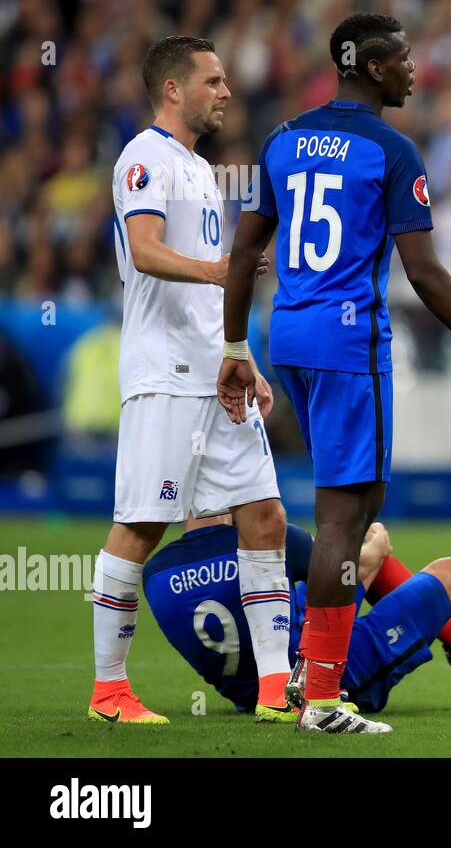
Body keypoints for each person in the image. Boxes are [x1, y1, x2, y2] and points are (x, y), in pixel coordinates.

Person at [218, 13, 451, 734]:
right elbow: (423, 269)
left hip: (287, 333)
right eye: (407, 58)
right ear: (376, 67)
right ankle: (322, 695)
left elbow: (242, 254)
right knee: (345, 517)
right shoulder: (391, 150)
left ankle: (314, 679)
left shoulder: (284, 139)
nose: (417, 70)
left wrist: (236, 346)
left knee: (344, 510)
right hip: (350, 342)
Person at [91, 36, 291, 726]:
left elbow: (212, 293)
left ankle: (274, 689)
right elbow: (144, 251)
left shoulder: (201, 170)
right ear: (174, 89)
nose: (226, 91)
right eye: (213, 80)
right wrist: (220, 270)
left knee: (265, 516)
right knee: (140, 526)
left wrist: (242, 354)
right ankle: (109, 691)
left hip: (216, 376)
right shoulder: (143, 158)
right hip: (166, 377)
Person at [142, 517, 451, 721]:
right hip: (331, 673)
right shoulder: (271, 536)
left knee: (340, 566)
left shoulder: (157, 574)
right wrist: (372, 548)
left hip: (259, 691)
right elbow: (344, 582)